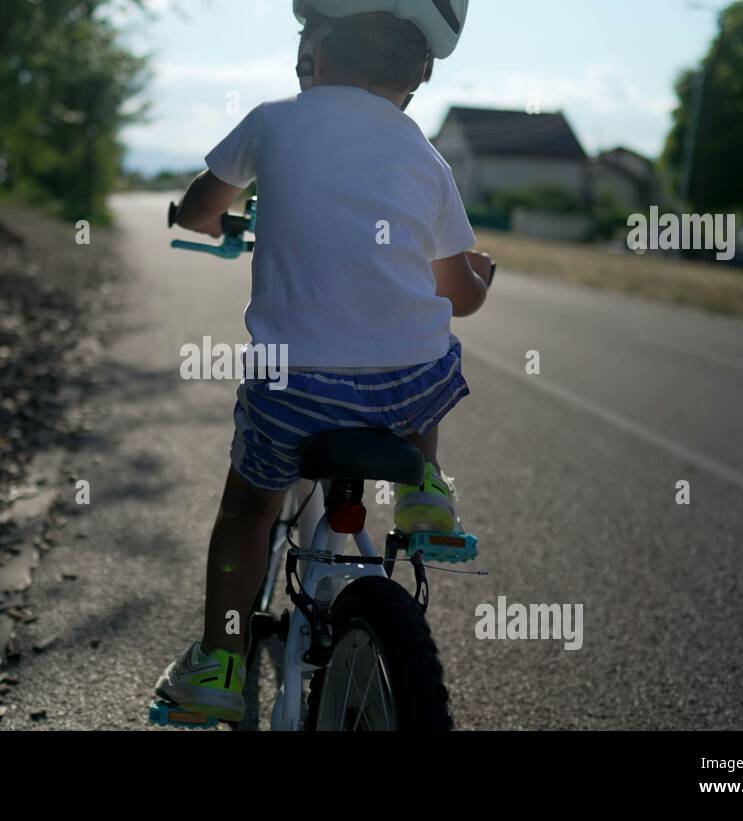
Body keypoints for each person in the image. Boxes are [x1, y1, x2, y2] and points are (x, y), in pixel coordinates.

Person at [156, 0, 492, 724]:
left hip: (295, 391)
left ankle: (219, 660)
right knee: (429, 353)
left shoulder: (273, 122)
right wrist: (482, 276)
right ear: (419, 76)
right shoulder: (424, 156)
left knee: (247, 509)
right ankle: (423, 486)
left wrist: (211, 220)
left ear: (319, 57)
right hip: (403, 393)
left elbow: (197, 207)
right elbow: (459, 297)